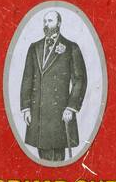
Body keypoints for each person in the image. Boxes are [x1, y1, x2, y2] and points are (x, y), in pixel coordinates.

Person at [20, 9, 87, 162]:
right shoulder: (34, 47)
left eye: (50, 21)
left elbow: (80, 80)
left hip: (60, 113)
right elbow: (27, 79)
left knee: (57, 157)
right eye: (44, 21)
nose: (46, 24)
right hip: (37, 113)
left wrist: (71, 107)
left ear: (59, 23)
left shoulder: (71, 48)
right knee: (42, 155)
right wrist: (26, 108)